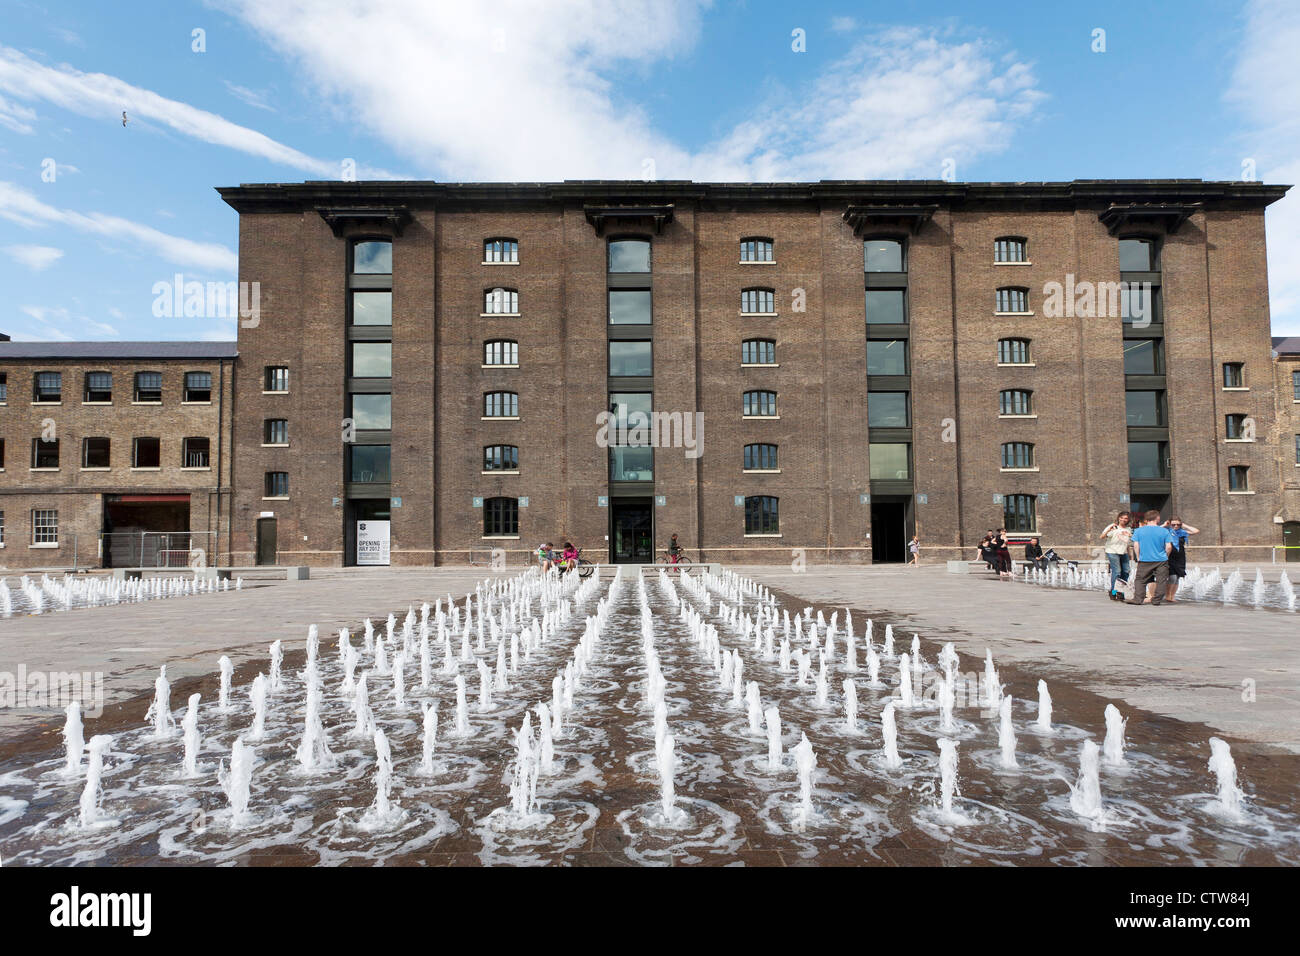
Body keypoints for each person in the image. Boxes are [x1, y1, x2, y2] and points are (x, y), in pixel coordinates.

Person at [1126, 510, 1175, 606]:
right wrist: (1166, 556)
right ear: (1157, 518)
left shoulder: (1139, 531)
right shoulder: (1164, 531)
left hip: (1145, 560)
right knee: (1161, 580)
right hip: (1161, 560)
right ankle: (1156, 600)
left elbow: (1136, 545)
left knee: (1140, 580)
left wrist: (1138, 557)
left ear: (1146, 519)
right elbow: (1169, 547)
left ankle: (1138, 599)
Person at [1162, 517, 1199, 602]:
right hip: (1169, 557)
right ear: (1170, 524)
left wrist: (1185, 525)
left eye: (1178, 524)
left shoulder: (1182, 532)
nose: (1176, 526)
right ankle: (1168, 595)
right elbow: (1154, 530)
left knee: (1177, 577)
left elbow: (1196, 531)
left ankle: (1172, 596)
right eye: (1173, 524)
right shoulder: (1166, 532)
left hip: (1180, 557)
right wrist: (1164, 525)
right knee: (1172, 577)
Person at [1098, 512, 1133, 601]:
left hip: (1124, 552)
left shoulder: (1129, 529)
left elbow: (1127, 542)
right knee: (1117, 571)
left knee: (1126, 571)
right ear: (1119, 518)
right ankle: (1113, 592)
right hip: (1112, 551)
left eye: (1126, 518)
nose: (1123, 520)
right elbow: (1101, 537)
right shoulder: (1113, 526)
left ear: (1128, 520)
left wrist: (1130, 554)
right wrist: (1109, 530)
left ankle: (1121, 592)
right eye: (1122, 518)